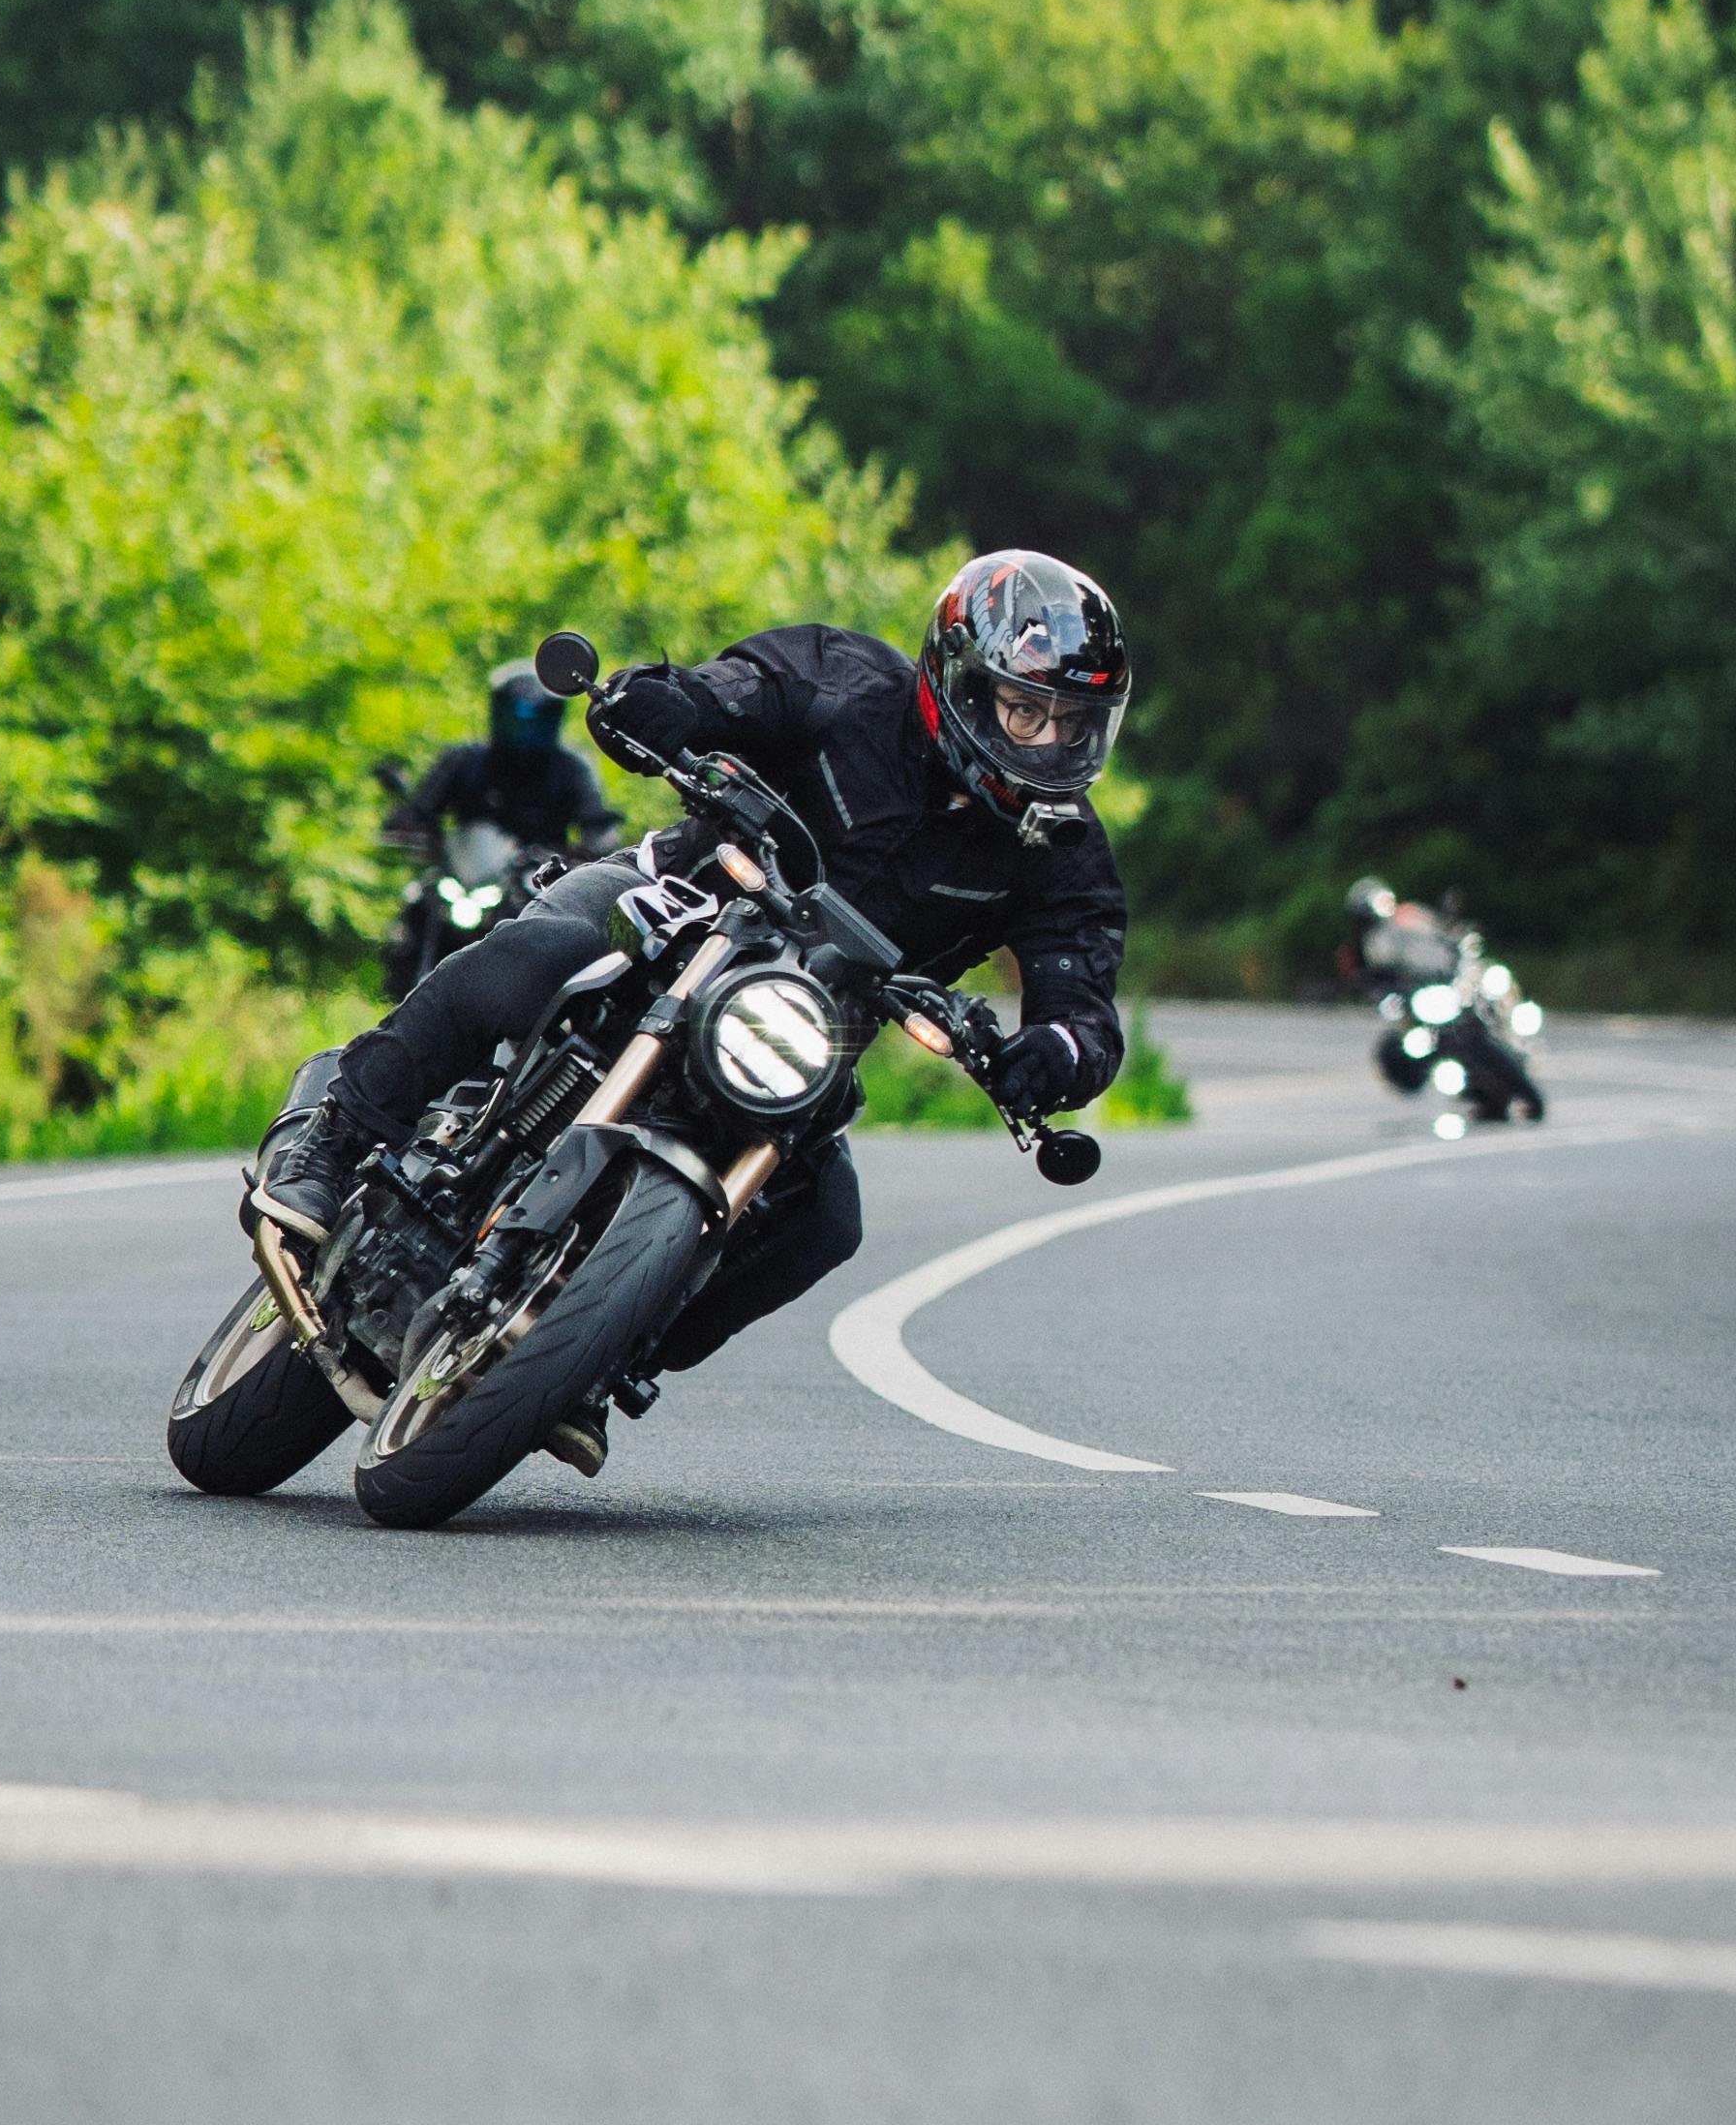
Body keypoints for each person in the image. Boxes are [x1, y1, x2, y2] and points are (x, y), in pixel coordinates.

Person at [255, 552, 1135, 1461]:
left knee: (825, 1220)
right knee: (534, 953)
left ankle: (599, 1356)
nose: (1044, 741)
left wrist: (1058, 1052)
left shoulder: (1061, 849)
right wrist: (662, 702)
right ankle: (338, 1127)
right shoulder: (841, 681)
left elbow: (1083, 993)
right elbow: (733, 690)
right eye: (1024, 709)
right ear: (955, 677)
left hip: (810, 1022)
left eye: (1071, 722)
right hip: (686, 900)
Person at [393, 658, 612, 868]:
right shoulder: (465, 761)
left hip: (536, 886)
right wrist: (412, 829)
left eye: (534, 721)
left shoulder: (571, 769)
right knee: (417, 901)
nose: (523, 730)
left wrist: (583, 855)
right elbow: (420, 810)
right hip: (464, 878)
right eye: (513, 719)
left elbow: (597, 823)